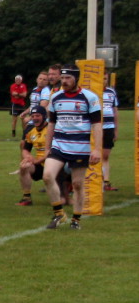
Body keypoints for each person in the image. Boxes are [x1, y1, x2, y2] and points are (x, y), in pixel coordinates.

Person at [41, 66, 102, 230]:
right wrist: (47, 147)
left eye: (68, 78)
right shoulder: (56, 97)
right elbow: (51, 123)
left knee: (77, 184)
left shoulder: (89, 98)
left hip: (80, 148)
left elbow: (97, 125)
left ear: (76, 79)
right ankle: (59, 213)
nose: (64, 81)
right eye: (63, 78)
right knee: (47, 176)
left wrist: (97, 149)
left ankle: (76, 219)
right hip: (59, 145)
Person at [16, 106, 52, 206]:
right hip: (40, 164)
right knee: (24, 167)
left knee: (61, 200)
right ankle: (26, 197)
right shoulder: (31, 131)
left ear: (44, 116)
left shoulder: (51, 129)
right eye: (33, 116)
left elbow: (52, 151)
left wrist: (37, 161)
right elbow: (25, 149)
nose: (35, 118)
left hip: (53, 164)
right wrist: (28, 157)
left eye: (38, 115)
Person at [101, 77, 118, 192]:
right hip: (96, 127)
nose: (104, 80)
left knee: (105, 155)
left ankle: (106, 181)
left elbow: (115, 111)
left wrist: (116, 129)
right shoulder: (92, 91)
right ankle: (98, 180)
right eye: (102, 78)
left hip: (109, 127)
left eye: (105, 78)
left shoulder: (111, 92)